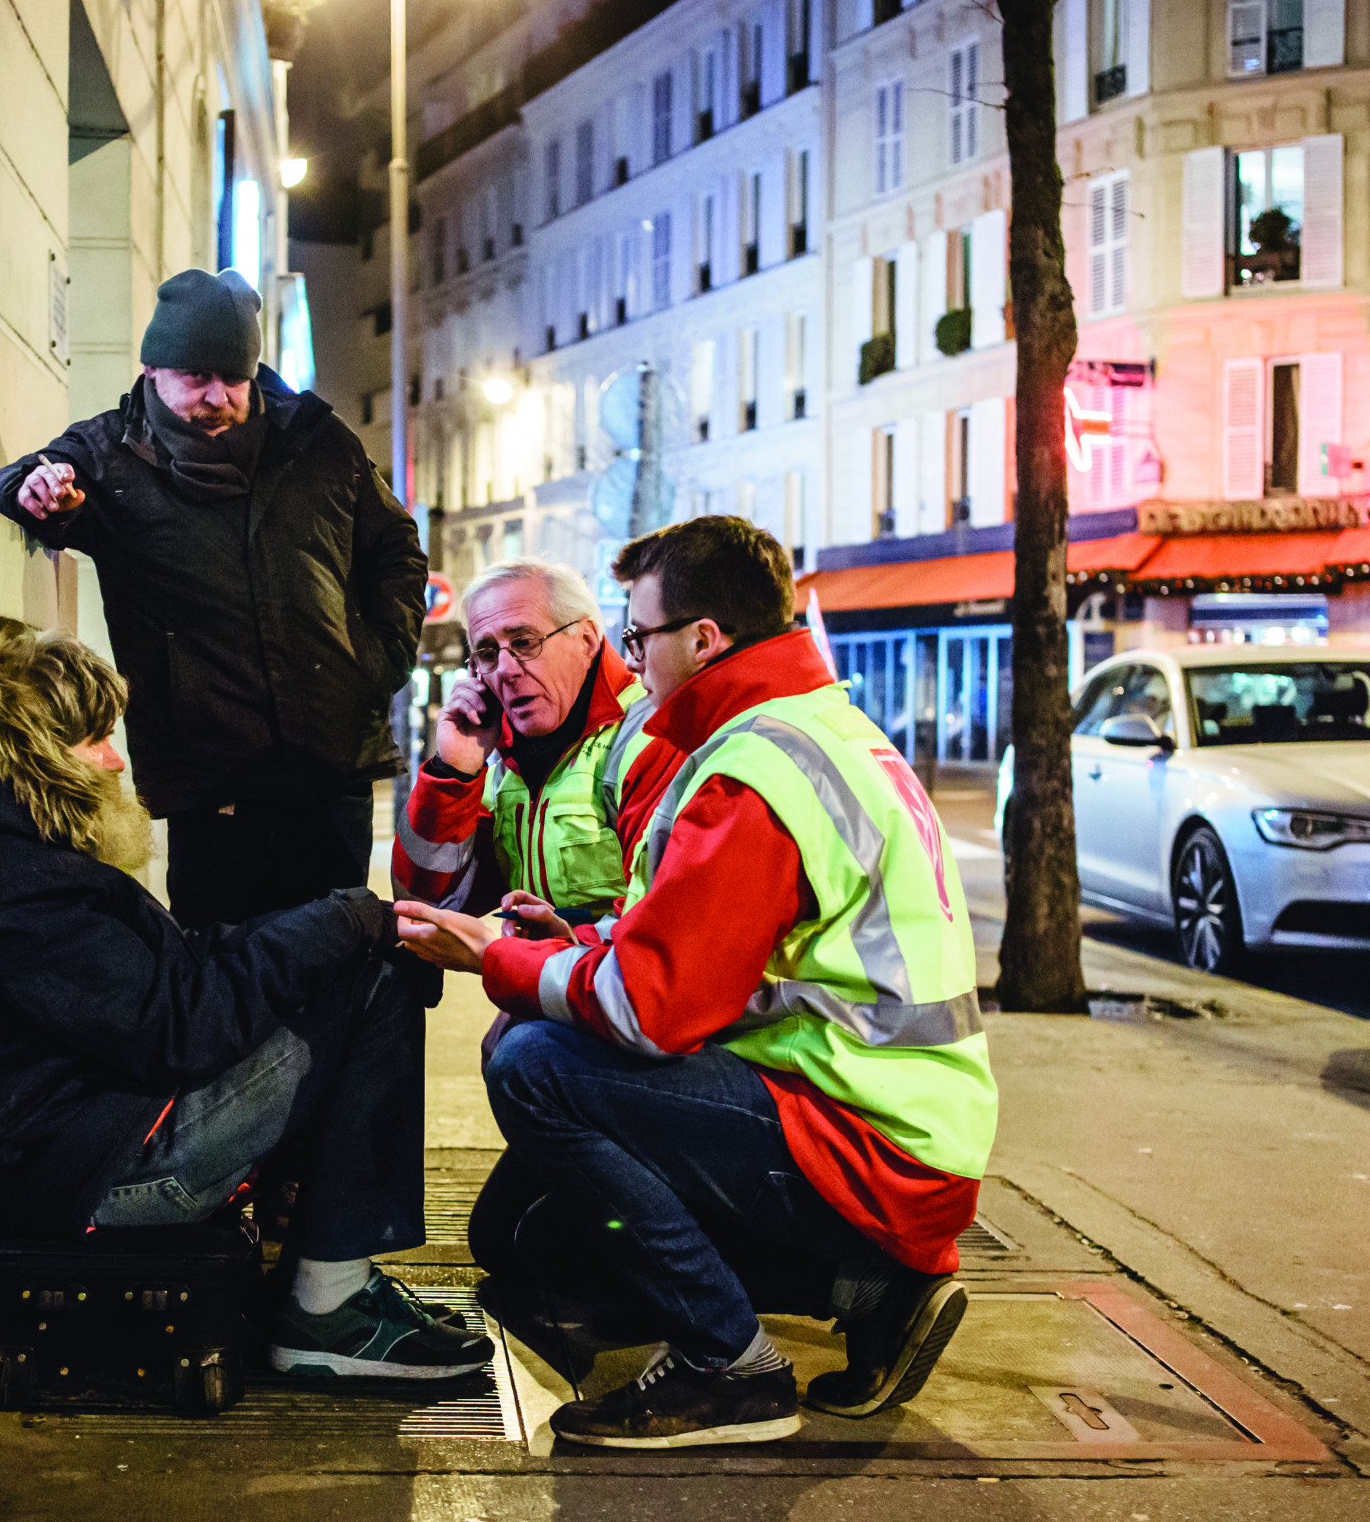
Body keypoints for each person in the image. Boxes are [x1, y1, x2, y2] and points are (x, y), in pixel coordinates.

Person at [396, 516, 998, 1447]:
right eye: (489, 650)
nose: (638, 664)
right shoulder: (812, 729)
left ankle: (728, 1364)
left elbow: (653, 1005)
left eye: (641, 637)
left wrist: (498, 958)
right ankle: (864, 1287)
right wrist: (577, 934)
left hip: (857, 1133)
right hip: (891, 1118)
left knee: (532, 1065)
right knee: (535, 1238)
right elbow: (690, 940)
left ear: (702, 640)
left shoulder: (743, 767)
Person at [0, 620, 489, 1381]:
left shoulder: (9, 849)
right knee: (373, 978)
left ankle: (335, 1277)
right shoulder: (3, 882)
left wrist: (341, 924)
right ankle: (327, 1306)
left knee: (361, 958)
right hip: (88, 1176)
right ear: (32, 751)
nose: (114, 761)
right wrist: (345, 923)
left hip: (82, 1140)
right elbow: (182, 1025)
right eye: (92, 740)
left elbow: (178, 968)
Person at [0, 268, 428, 930]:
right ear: (154, 368)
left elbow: (395, 548)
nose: (218, 396)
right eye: (197, 377)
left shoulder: (316, 439)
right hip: (211, 792)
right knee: (221, 988)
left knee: (336, 972)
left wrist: (380, 662)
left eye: (234, 377)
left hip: (329, 777)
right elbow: (10, 485)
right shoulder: (109, 454)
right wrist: (34, 491)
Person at [392, 556, 681, 926]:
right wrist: (453, 773)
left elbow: (663, 931)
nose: (507, 670)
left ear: (588, 640)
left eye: (525, 642)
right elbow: (424, 907)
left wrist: (522, 958)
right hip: (544, 981)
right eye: (487, 652)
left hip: (594, 982)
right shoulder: (502, 762)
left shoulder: (650, 736)